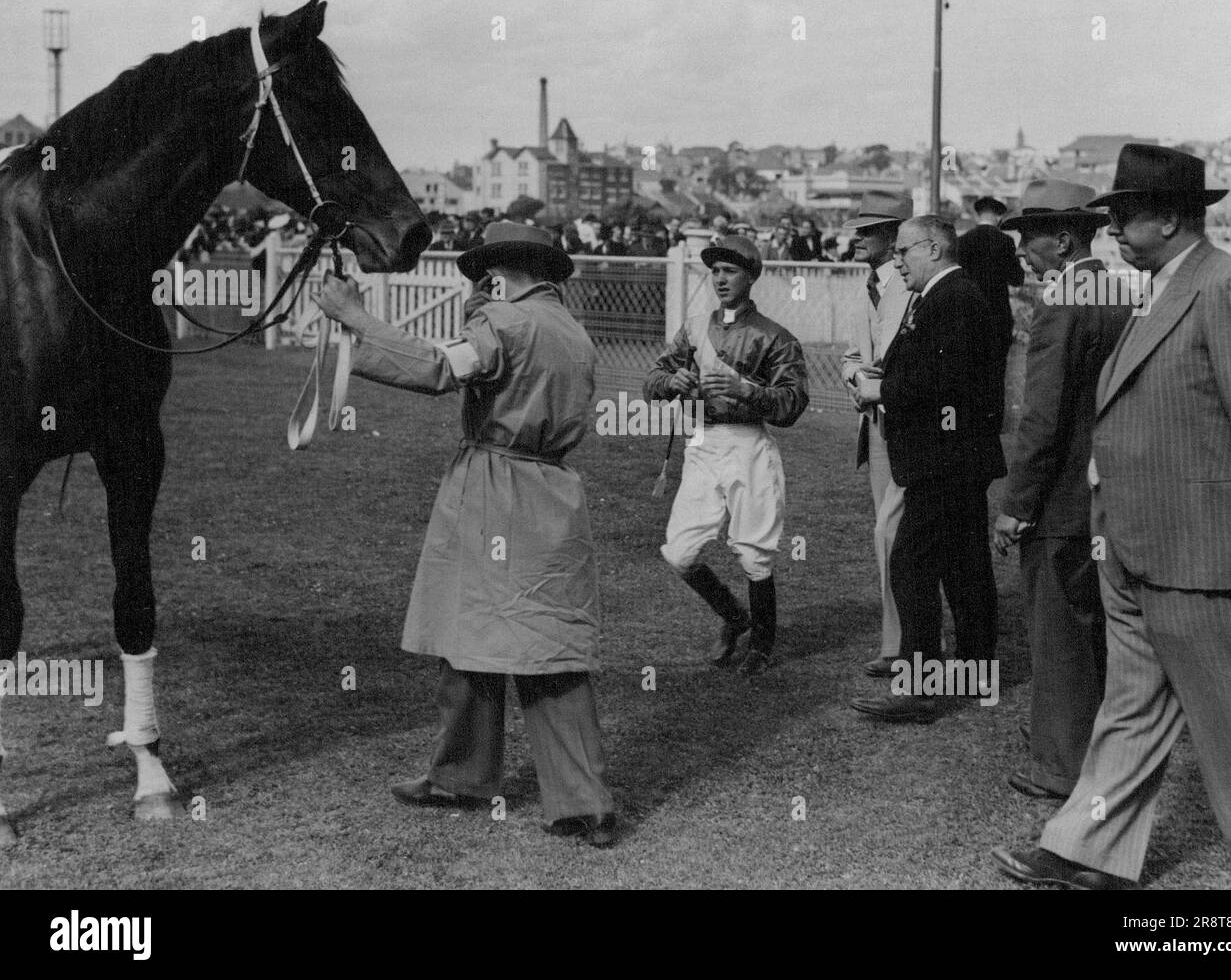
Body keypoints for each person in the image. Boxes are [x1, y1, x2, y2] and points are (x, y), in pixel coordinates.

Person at [994, 144, 1231, 890]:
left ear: (1169, 218)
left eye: (1125, 215)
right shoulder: (1157, 289)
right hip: (1132, 545)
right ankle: (1091, 849)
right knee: (1131, 711)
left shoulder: (1226, 286)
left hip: (1202, 548)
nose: (1115, 229)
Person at [312, 221, 618, 848]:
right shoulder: (575, 334)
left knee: (470, 628)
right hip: (552, 492)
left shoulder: (505, 322)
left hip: (492, 486)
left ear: (500, 273)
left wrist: (356, 318)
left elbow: (435, 369)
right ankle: (579, 801)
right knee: (547, 641)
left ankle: (463, 777)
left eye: (484, 277)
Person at [991, 180, 1128, 799]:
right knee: (1092, 625)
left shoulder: (1061, 300)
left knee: (1057, 631)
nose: (1022, 249)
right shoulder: (1117, 293)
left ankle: (1060, 764)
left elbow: (1042, 418)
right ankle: (1086, 746)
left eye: (1029, 236)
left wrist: (1017, 506)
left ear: (1064, 239)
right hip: (1105, 492)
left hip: (1060, 498)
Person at [854, 215, 1006, 723]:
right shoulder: (949, 296)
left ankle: (919, 688)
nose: (896, 261)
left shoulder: (952, 298)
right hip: (956, 458)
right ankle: (978, 670)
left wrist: (883, 390)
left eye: (903, 252)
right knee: (965, 566)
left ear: (935, 249)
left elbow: (946, 381)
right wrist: (890, 373)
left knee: (912, 564)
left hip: (943, 460)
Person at [644, 235, 809, 675]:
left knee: (754, 551)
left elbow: (792, 403)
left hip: (748, 445)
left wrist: (746, 390)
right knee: (679, 551)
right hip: (702, 443)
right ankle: (735, 618)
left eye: (730, 271)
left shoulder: (775, 337)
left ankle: (762, 644)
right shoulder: (695, 326)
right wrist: (671, 382)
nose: (720, 279)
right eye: (715, 271)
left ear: (750, 276)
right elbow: (655, 376)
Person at [836, 192, 914, 710]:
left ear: (894, 235)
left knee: (894, 533)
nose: (857, 237)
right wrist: (856, 377)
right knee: (886, 535)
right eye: (857, 230)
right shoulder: (862, 288)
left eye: (868, 230)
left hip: (910, 426)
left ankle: (915, 647)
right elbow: (849, 355)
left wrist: (880, 384)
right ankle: (896, 645)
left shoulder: (911, 288)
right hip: (878, 428)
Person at [957, 195, 1024, 428]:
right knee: (996, 372)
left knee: (968, 369)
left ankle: (969, 419)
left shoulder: (963, 241)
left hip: (968, 315)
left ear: (977, 215)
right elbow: (1017, 279)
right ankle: (993, 421)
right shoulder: (1005, 242)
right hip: (998, 317)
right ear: (998, 216)